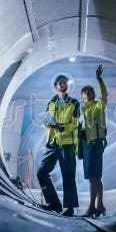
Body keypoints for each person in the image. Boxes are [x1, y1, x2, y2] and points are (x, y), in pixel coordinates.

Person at [36, 74, 80, 216]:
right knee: (41, 173)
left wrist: (61, 127)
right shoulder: (51, 103)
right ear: (55, 87)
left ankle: (70, 208)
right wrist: (47, 125)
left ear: (67, 85)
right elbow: (44, 122)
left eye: (63, 82)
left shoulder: (74, 103)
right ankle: (54, 204)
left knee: (68, 175)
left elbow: (75, 123)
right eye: (59, 83)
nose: (61, 84)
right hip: (52, 143)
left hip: (67, 144)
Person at [80, 64, 108, 217]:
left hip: (96, 144)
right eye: (85, 91)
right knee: (95, 176)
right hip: (87, 146)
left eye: (90, 91)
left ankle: (92, 207)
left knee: (93, 177)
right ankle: (100, 206)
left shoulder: (98, 105)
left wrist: (99, 79)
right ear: (82, 96)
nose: (88, 93)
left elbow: (104, 96)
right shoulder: (82, 110)